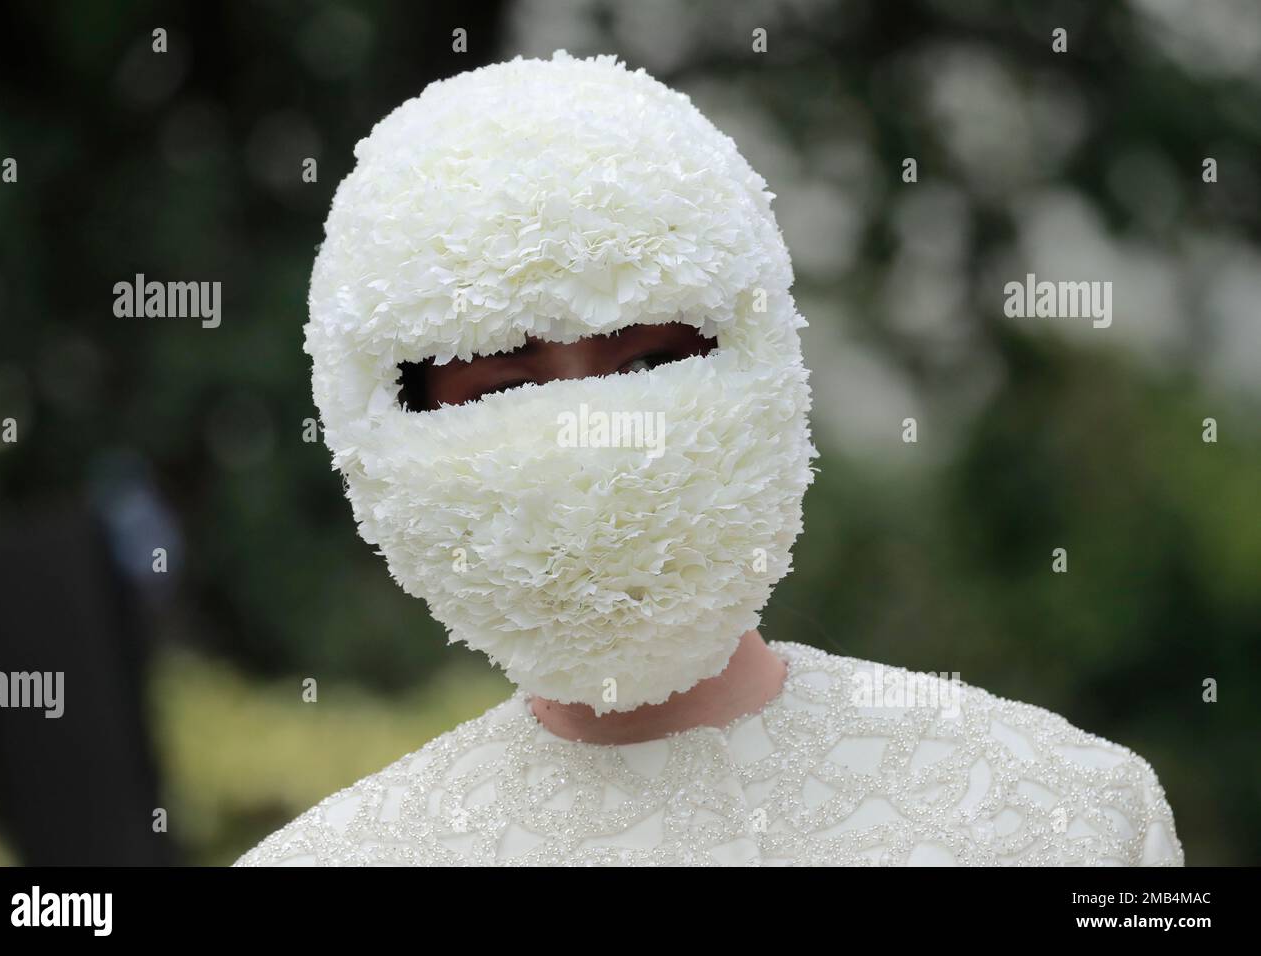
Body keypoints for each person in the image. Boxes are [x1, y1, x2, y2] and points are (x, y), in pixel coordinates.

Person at [234, 51, 1183, 866]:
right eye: (504, 388)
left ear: (761, 360)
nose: (588, 433)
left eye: (648, 362)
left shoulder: (1061, 820)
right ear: (384, 430)